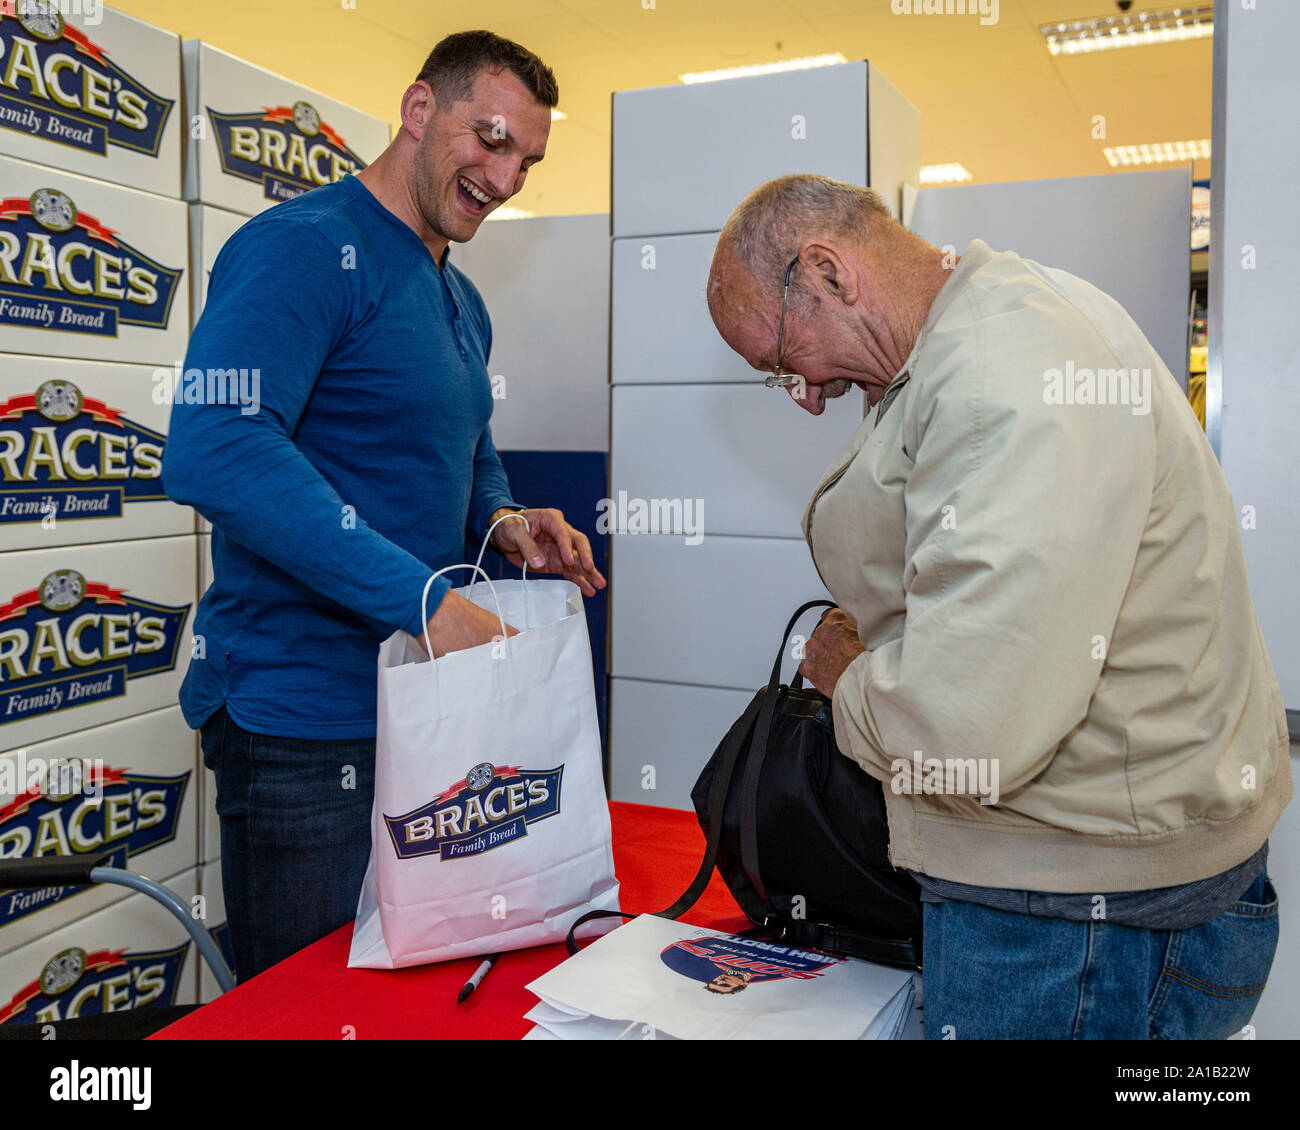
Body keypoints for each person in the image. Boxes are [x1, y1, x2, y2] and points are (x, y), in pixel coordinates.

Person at [705, 173, 1292, 1040]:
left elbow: (969, 726)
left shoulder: (1001, 381)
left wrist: (847, 677)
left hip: (1075, 920)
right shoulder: (977, 332)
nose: (806, 395)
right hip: (1096, 888)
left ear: (828, 270)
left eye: (783, 360)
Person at [163, 31, 605, 982]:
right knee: (314, 1006)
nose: (505, 174)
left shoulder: (461, 297)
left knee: (410, 993)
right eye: (488, 139)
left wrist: (503, 521)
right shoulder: (303, 249)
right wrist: (425, 602)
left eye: (526, 158)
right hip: (303, 728)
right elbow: (217, 446)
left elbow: (463, 442)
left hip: (417, 710)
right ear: (417, 110)